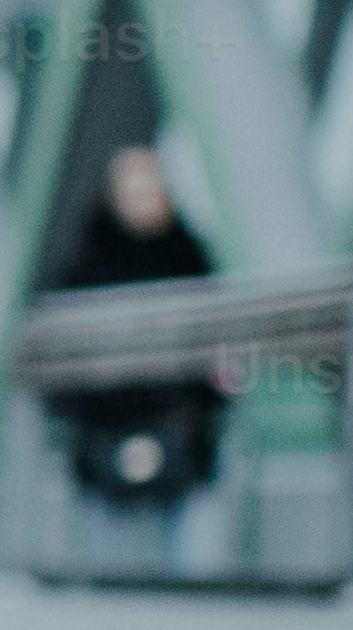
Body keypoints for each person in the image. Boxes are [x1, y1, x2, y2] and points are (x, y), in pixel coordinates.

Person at [51, 141, 230, 511]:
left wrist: (199, 412)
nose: (144, 200)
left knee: (191, 561)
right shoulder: (88, 266)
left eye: (151, 188)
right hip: (106, 442)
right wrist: (88, 420)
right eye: (134, 190)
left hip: (181, 440)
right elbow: (61, 355)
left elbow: (218, 344)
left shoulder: (189, 258)